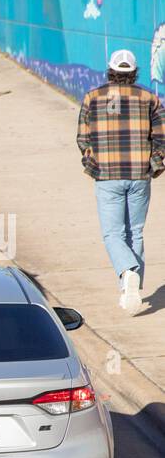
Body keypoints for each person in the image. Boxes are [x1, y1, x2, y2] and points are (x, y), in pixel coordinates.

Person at [76, 49, 165, 312]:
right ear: (134, 72)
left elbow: (83, 139)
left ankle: (128, 272)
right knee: (134, 232)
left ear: (111, 71)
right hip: (139, 174)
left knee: (113, 233)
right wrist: (154, 165)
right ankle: (131, 288)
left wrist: (93, 163)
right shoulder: (149, 98)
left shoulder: (93, 98)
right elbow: (161, 137)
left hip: (107, 175)